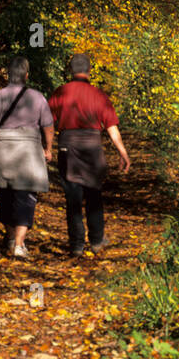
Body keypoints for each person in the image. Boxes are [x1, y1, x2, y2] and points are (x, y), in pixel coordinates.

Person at [48, 53, 130, 257]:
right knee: (94, 194)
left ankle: (76, 245)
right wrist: (123, 153)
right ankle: (96, 240)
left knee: (72, 197)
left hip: (68, 147)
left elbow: (48, 123)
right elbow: (111, 127)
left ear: (70, 71)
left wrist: (48, 147)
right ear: (89, 70)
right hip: (92, 148)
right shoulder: (99, 95)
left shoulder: (60, 92)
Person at [0, 56, 54, 258]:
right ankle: (19, 244)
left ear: (8, 74)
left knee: (6, 194)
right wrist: (49, 148)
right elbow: (48, 126)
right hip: (28, 152)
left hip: (2, 151)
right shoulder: (37, 98)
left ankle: (11, 238)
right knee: (26, 196)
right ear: (27, 76)